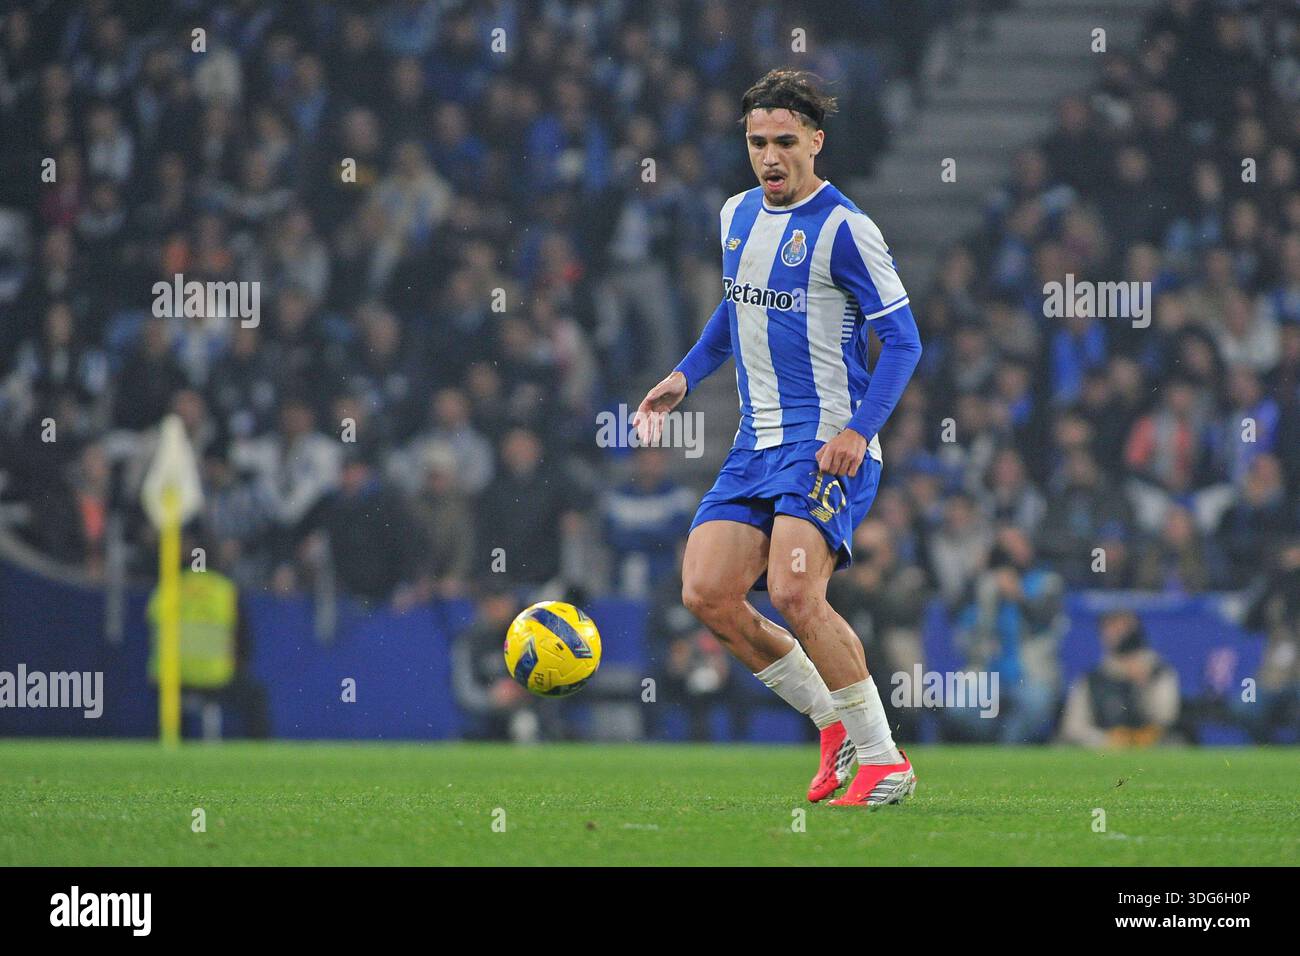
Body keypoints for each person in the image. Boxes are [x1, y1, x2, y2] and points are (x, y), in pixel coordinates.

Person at [633, 70, 923, 807]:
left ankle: (886, 761)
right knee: (705, 592)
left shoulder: (846, 228)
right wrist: (684, 376)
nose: (769, 156)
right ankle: (833, 725)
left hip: (825, 442)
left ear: (815, 142)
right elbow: (735, 312)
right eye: (758, 141)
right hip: (755, 444)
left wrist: (860, 431)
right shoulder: (735, 214)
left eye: (785, 141)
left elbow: (904, 342)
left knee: (796, 591)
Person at [1059, 611, 1180, 748]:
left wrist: (1143, 685)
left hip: (1152, 747)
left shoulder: (1158, 671)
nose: (1117, 631)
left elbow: (1166, 717)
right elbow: (1073, 728)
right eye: (1110, 625)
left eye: (1123, 624)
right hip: (1103, 750)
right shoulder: (1092, 678)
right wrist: (1107, 739)